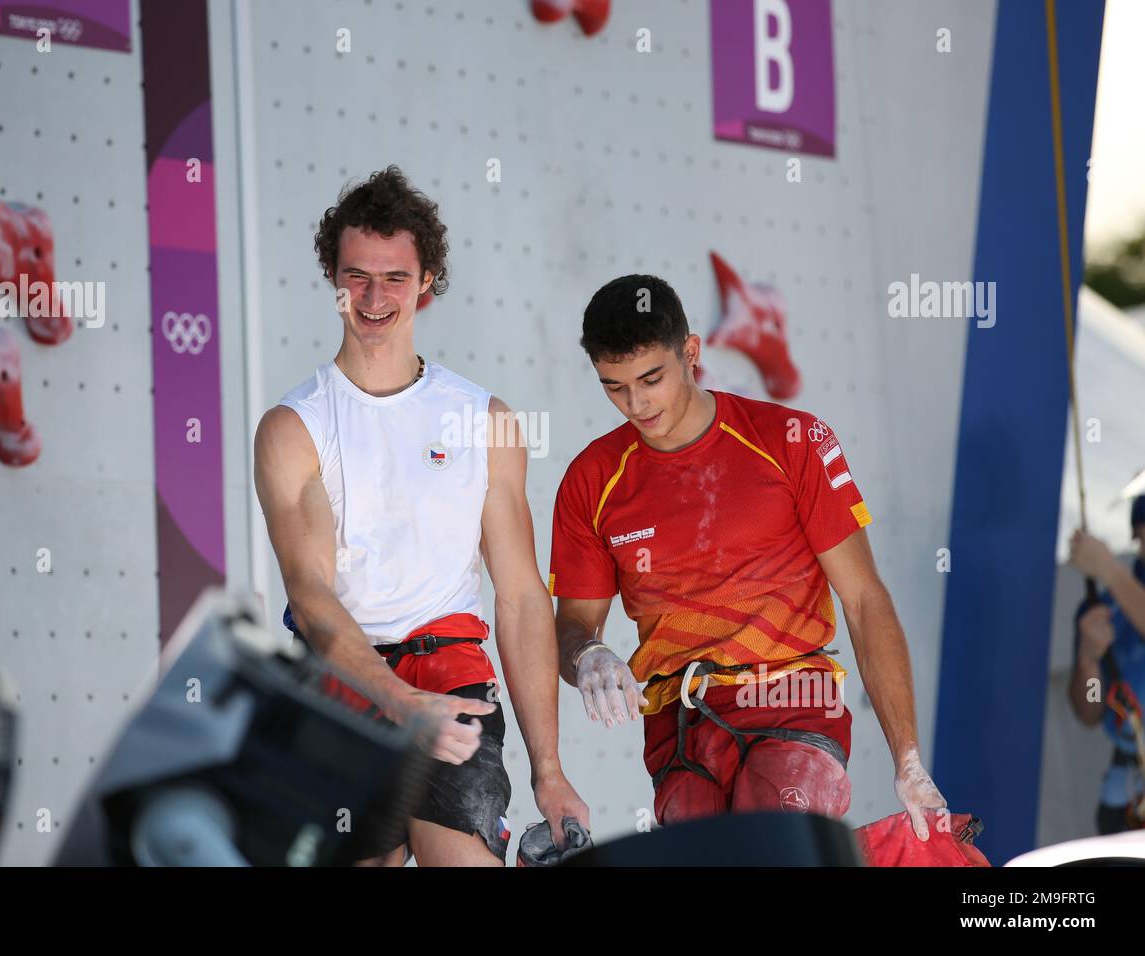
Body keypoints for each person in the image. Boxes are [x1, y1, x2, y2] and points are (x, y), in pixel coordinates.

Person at [253, 167, 586, 865]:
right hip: (342, 689)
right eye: (357, 276)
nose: (375, 298)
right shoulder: (294, 429)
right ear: (333, 276)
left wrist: (548, 772)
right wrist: (399, 704)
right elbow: (312, 602)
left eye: (396, 277)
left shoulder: (483, 420)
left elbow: (522, 597)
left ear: (428, 280)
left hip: (452, 676)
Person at [548, 274, 947, 838]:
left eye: (651, 378)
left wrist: (907, 759)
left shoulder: (791, 440)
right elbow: (572, 624)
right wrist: (588, 655)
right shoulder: (591, 479)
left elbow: (863, 599)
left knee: (772, 847)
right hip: (678, 723)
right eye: (613, 387)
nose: (635, 404)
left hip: (793, 701)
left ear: (691, 353)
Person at [1067, 496, 1145, 833]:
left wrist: (1110, 571)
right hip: (1125, 796)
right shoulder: (1103, 608)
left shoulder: (1116, 585)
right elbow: (1091, 710)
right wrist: (1089, 661)